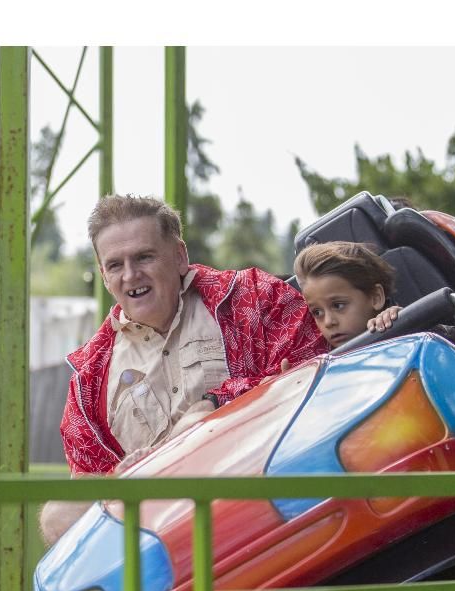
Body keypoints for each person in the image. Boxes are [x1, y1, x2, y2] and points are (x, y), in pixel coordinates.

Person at [41, 195, 326, 543]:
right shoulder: (89, 375)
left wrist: (213, 406)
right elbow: (88, 475)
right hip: (163, 529)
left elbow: (313, 372)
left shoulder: (253, 297)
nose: (131, 275)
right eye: (115, 265)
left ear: (179, 256)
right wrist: (119, 477)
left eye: (144, 257)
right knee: (56, 514)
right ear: (103, 275)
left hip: (260, 494)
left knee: (195, 423)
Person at [293, 241, 403, 348]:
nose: (328, 322)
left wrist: (399, 322)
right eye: (317, 312)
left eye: (338, 305)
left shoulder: (395, 326)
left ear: (375, 297)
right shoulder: (322, 358)